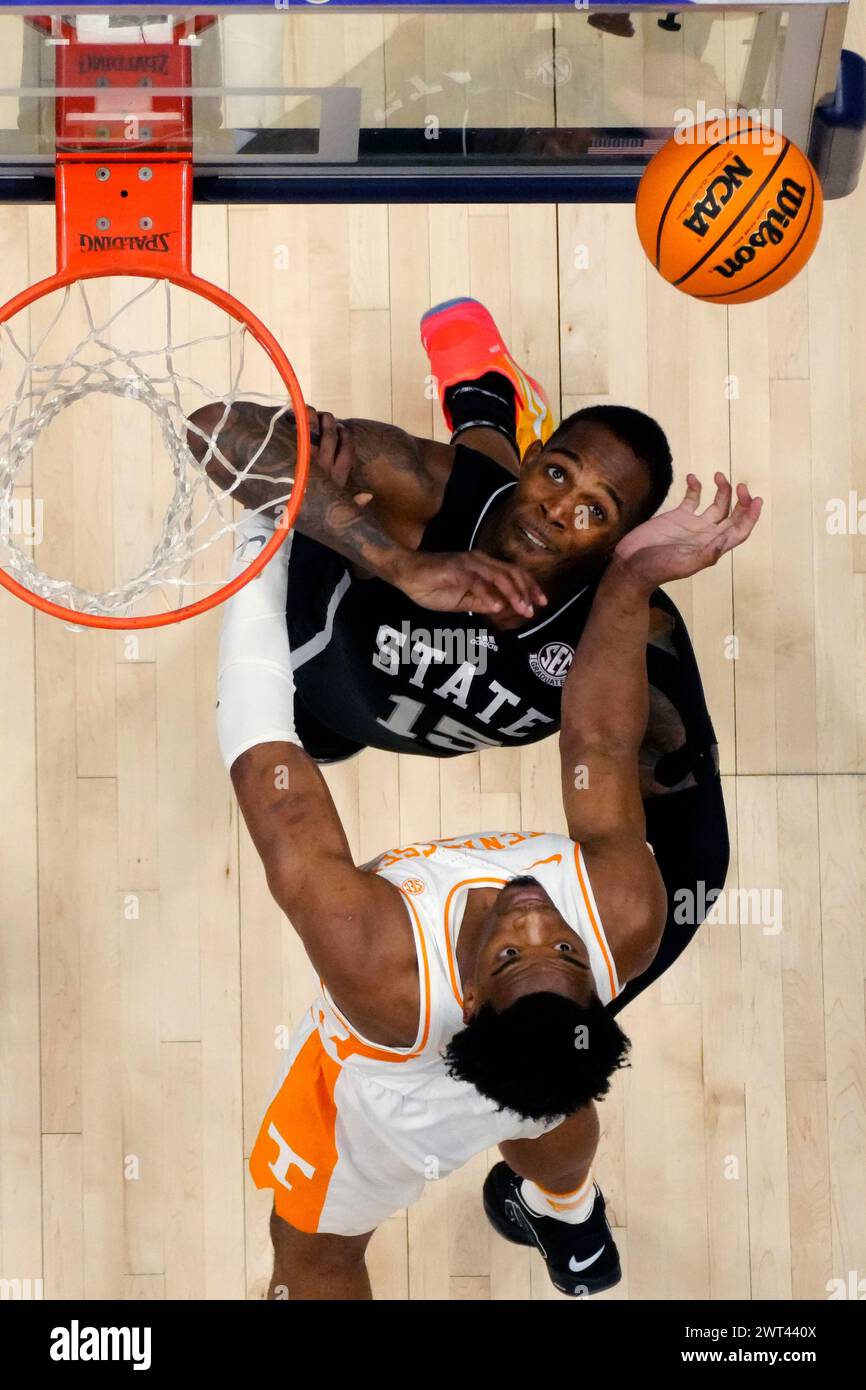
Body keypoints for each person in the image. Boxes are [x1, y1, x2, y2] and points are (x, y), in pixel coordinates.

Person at [227, 475, 761, 1299]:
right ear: (595, 982)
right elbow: (602, 741)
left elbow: (266, 754)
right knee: (548, 1098)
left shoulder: (371, 954)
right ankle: (571, 1216)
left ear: (473, 993)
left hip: (380, 1119)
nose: (534, 913)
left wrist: (260, 542)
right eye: (564, 948)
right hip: (537, 1058)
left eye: (512, 952)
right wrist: (630, 575)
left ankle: (565, 1212)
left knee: (315, 1255)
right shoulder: (619, 918)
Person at [190, 299, 731, 1006]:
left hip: (383, 711)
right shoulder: (422, 490)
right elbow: (218, 430)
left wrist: (579, 1013)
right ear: (540, 459)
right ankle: (486, 403)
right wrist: (395, 563)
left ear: (620, 541)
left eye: (598, 511)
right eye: (560, 474)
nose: (562, 509)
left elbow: (696, 862)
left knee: (498, 501)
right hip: (316, 681)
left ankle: (490, 400)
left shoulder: (627, 630)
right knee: (476, 488)